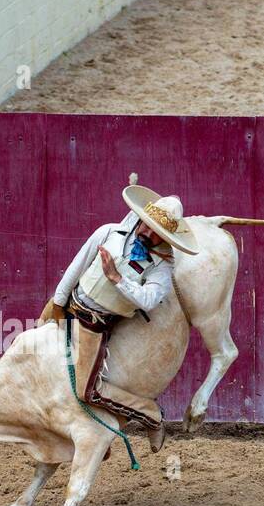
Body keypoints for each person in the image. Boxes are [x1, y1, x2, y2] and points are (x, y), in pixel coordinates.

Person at [37, 185, 197, 453]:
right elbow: (77, 266)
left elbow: (148, 299)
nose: (145, 233)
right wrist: (57, 303)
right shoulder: (109, 232)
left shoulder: (163, 266)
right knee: (37, 357)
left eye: (155, 232)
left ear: (165, 236)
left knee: (86, 392)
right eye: (145, 225)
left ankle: (150, 415)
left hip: (95, 325)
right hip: (68, 304)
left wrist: (117, 278)